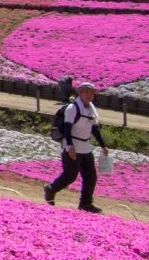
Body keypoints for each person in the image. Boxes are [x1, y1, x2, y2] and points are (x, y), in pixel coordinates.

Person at [44, 81, 109, 213]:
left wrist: (103, 146)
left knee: (91, 177)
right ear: (80, 93)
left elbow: (95, 129)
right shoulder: (72, 108)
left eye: (91, 93)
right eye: (86, 92)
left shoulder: (91, 110)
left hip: (85, 147)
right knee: (70, 175)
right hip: (72, 146)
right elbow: (67, 128)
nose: (89, 95)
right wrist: (70, 146)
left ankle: (85, 203)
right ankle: (51, 189)